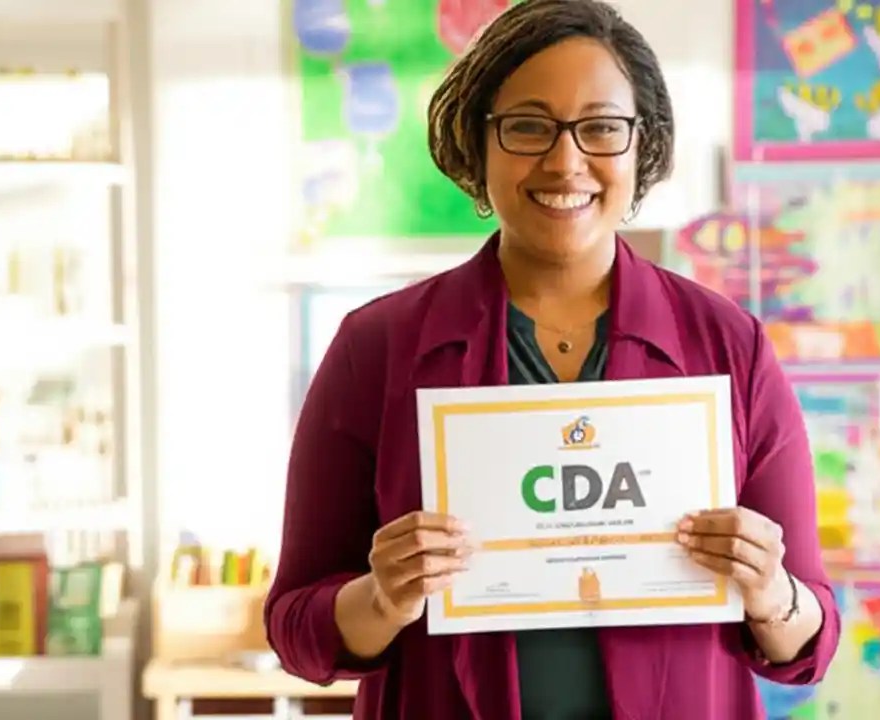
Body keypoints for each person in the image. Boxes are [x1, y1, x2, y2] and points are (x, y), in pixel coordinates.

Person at [264, 1, 841, 717]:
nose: (566, 161)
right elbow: (295, 627)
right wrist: (381, 598)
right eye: (528, 126)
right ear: (479, 142)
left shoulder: (732, 348)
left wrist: (770, 592)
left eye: (601, 127)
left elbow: (811, 635)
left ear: (643, 145)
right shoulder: (375, 348)